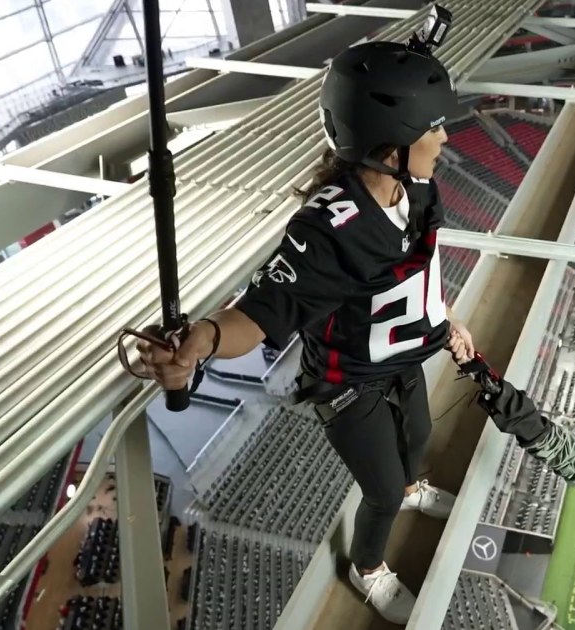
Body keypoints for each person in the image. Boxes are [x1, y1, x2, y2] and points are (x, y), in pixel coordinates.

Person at [135, 39, 472, 623]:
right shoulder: (326, 228)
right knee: (383, 490)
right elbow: (260, 312)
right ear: (390, 141)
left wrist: (447, 322)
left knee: (419, 436)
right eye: (434, 128)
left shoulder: (421, 191)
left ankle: (415, 486)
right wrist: (204, 341)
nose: (445, 140)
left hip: (402, 357)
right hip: (349, 383)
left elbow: (422, 270)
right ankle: (368, 568)